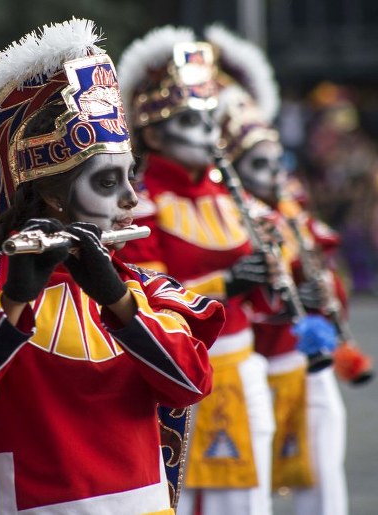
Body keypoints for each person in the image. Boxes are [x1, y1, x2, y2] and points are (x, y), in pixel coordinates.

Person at [0, 19, 225, 514]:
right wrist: (13, 304)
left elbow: (190, 383)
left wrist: (117, 300)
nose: (131, 199)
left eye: (128, 176)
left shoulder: (142, 287)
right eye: (107, 182)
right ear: (52, 194)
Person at [115, 26, 278, 515]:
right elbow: (147, 294)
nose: (209, 132)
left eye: (211, 117)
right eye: (191, 119)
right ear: (152, 131)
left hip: (245, 368)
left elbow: (266, 291)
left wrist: (274, 274)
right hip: (180, 371)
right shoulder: (141, 204)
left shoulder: (233, 196)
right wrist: (226, 284)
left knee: (251, 500)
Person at [208, 24, 358, 515]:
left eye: (278, 163)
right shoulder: (231, 213)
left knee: (323, 476)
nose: (275, 176)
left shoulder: (288, 207)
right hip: (256, 363)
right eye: (259, 166)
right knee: (249, 490)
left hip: (302, 362)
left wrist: (323, 293)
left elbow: (330, 274)